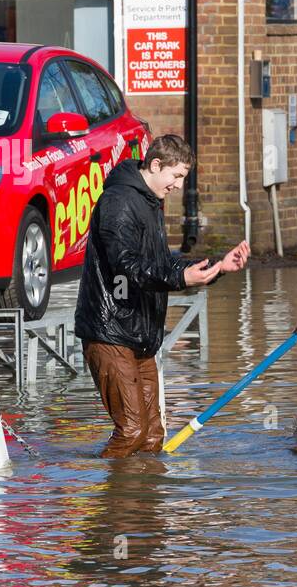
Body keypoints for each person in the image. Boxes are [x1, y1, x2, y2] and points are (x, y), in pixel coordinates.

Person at [75, 134, 249, 456]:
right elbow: (126, 266)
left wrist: (218, 266)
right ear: (156, 165)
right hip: (109, 330)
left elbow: (161, 262)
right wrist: (180, 277)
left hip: (140, 334)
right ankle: (101, 494)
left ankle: (142, 503)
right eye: (177, 175)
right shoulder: (120, 201)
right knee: (131, 431)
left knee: (153, 435)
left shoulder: (150, 202)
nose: (179, 185)